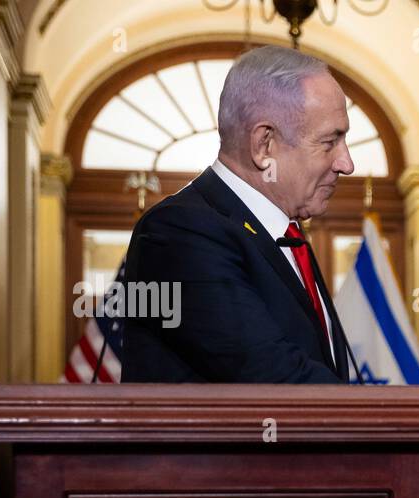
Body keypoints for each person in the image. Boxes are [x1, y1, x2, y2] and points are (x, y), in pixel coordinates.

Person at [122, 45, 357, 383]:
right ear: (265, 146)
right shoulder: (178, 233)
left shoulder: (282, 230)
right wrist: (402, 428)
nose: (346, 164)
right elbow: (276, 378)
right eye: (329, 142)